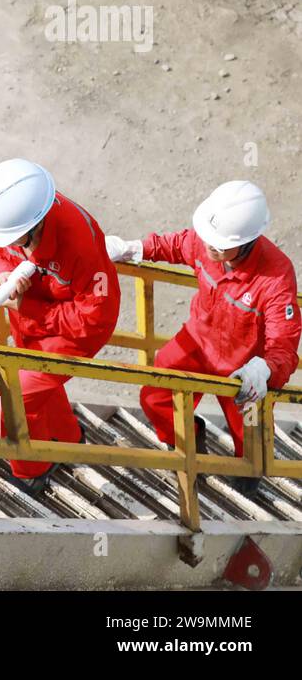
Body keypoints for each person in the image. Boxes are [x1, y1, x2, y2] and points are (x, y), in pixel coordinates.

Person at [106, 180, 300, 497]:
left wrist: (264, 369)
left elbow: (285, 343)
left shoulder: (276, 277)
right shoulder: (207, 241)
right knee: (154, 396)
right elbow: (175, 245)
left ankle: (250, 473)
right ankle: (189, 436)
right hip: (197, 344)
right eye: (209, 240)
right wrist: (133, 248)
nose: (210, 248)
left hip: (241, 369)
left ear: (248, 242)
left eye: (220, 245)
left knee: (251, 436)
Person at [0, 159, 119, 495]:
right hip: (28, 318)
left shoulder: (79, 244)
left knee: (14, 398)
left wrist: (30, 308)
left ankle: (31, 471)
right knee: (37, 386)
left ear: (35, 224)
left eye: (8, 238)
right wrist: (0, 273)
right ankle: (70, 439)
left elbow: (94, 316)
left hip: (72, 334)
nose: (0, 240)